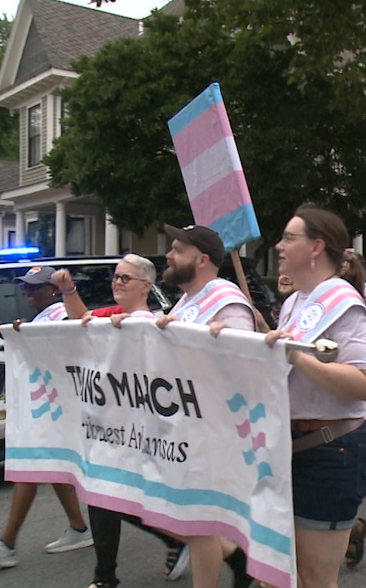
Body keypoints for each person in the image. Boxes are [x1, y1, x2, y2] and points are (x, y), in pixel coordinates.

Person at [51, 256, 192, 587]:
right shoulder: (109, 318)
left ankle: (209, 548)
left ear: (145, 285)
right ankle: (107, 576)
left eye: (125, 278)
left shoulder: (156, 325)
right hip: (109, 430)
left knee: (123, 498)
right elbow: (80, 319)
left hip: (142, 432)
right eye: (115, 277)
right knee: (104, 496)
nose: (116, 282)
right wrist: (68, 289)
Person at [262, 205, 366, 588]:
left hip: (332, 450)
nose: (279, 246)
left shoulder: (343, 304)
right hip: (291, 447)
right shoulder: (297, 302)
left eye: (289, 238)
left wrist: (297, 356)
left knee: (315, 577)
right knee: (285, 571)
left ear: (316, 246)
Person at [140, 224, 257, 587]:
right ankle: (241, 558)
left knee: (198, 522)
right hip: (185, 432)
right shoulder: (187, 301)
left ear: (202, 259)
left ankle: (240, 560)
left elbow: (246, 369)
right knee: (169, 517)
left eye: (177, 249)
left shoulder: (226, 301)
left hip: (215, 434)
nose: (169, 256)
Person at [0, 267, 94, 570]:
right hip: (46, 403)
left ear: (52, 289)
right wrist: (9, 331)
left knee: (30, 464)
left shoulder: (61, 314)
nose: (27, 293)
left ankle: (6, 543)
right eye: (25, 288)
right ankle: (78, 528)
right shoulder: (40, 319)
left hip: (58, 404)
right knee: (48, 461)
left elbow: (67, 342)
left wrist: (21, 334)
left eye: (35, 288)